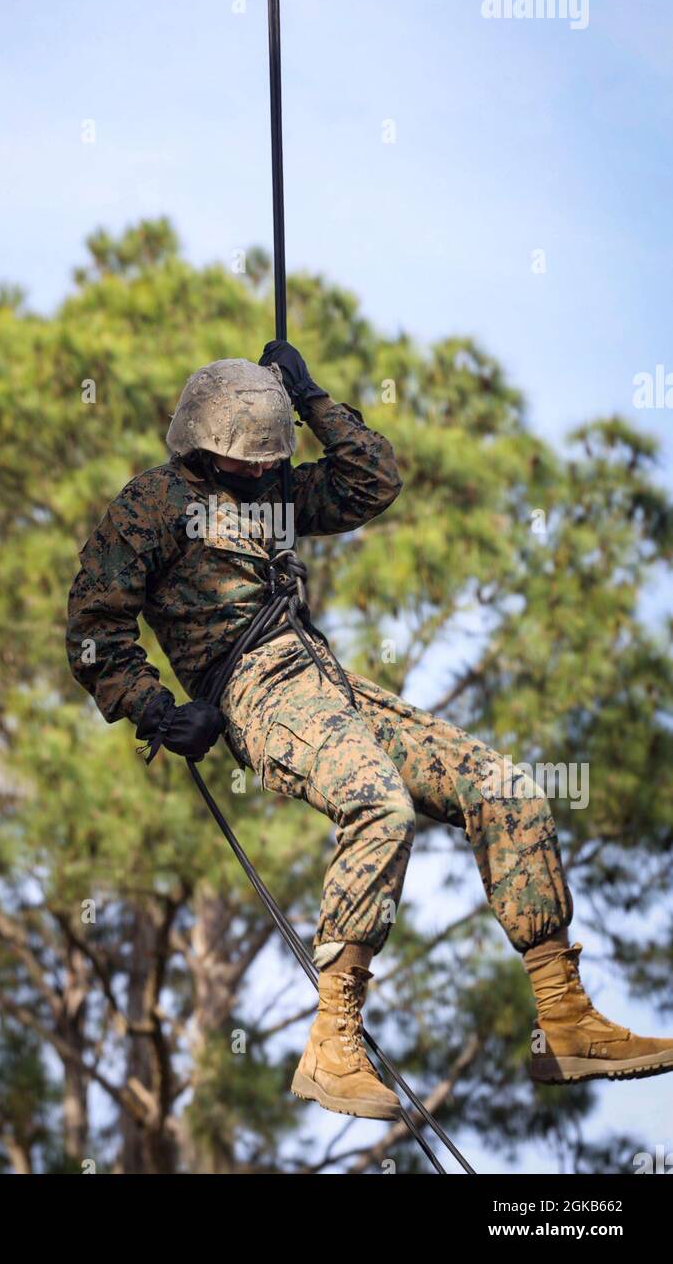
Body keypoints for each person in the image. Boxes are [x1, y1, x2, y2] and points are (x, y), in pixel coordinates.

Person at [66, 342, 673, 1120]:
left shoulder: (275, 491)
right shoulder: (150, 507)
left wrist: (311, 398)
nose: (257, 471)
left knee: (503, 789)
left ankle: (566, 1021)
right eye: (242, 458)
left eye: (265, 457)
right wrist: (153, 708)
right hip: (255, 688)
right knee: (377, 804)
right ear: (199, 442)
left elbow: (370, 481)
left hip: (327, 679)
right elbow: (93, 633)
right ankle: (331, 1044)